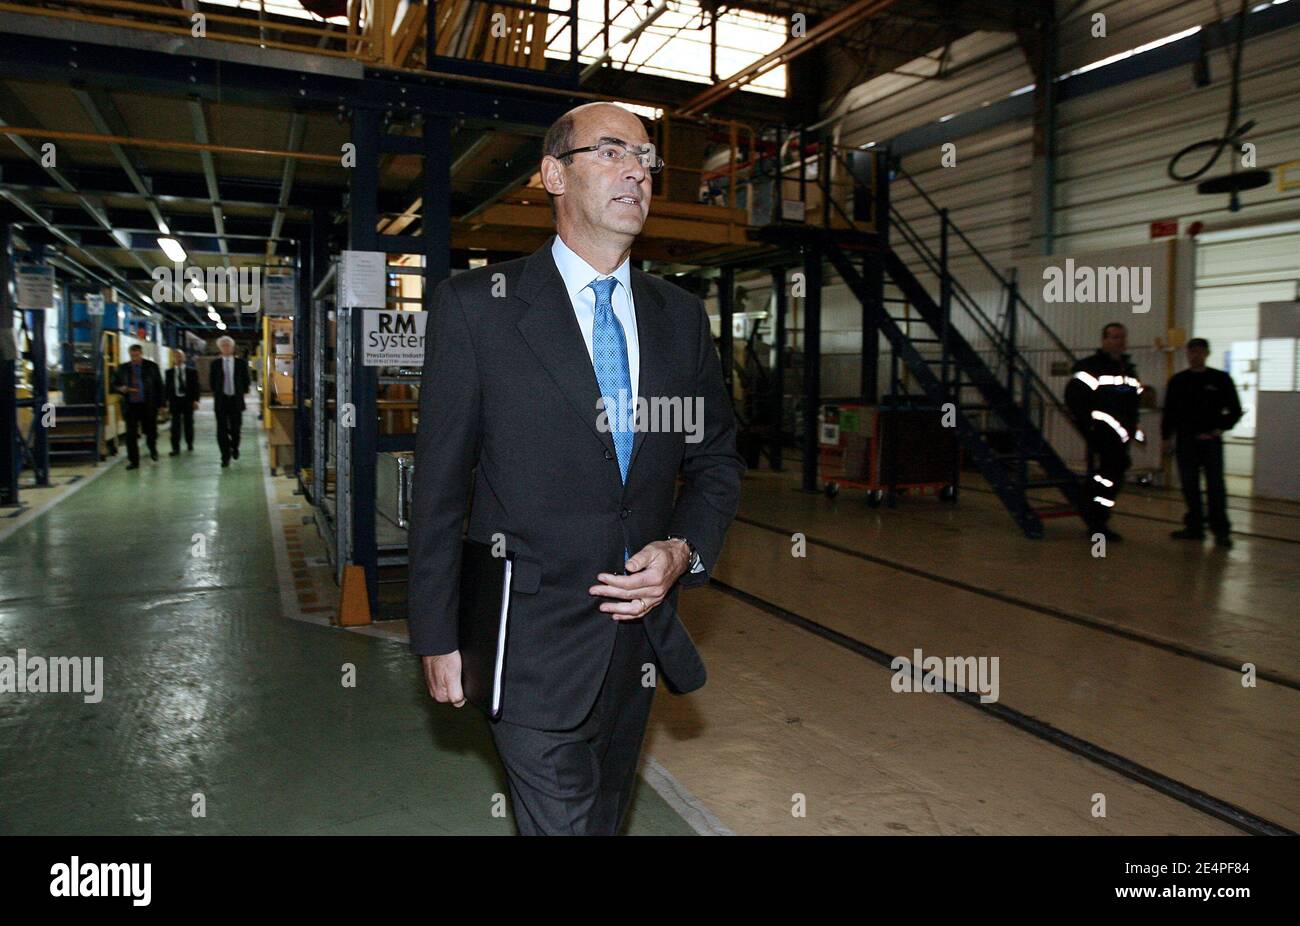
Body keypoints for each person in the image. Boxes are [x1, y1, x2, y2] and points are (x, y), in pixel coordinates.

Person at [408, 102, 745, 836]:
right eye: (613, 151)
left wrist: (681, 551)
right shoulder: (478, 309)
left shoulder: (679, 318)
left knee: (600, 819)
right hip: (525, 638)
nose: (637, 170)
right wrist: (434, 634)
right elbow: (438, 487)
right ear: (554, 174)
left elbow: (716, 459)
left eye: (647, 157)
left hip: (638, 643)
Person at [1065, 322, 1145, 542]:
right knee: (1107, 476)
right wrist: (1091, 428)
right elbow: (1074, 399)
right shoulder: (1091, 367)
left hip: (1122, 436)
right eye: (1114, 337)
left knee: (1113, 476)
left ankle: (1096, 514)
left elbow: (1133, 402)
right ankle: (1096, 519)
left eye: (1122, 337)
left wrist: (1133, 427)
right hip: (1102, 435)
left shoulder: (1129, 370)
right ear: (1104, 340)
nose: (1119, 342)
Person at [1161, 338, 1242, 548]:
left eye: (1199, 351)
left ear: (1207, 353)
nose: (1195, 355)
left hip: (1211, 442)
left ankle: (1221, 531)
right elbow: (1169, 412)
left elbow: (1234, 409)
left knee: (1215, 487)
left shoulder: (1220, 379)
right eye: (1192, 352)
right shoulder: (1178, 381)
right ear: (1187, 354)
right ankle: (1194, 527)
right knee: (1190, 486)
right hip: (1186, 442)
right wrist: (1166, 437)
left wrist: (1220, 428)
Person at [112, 343, 163, 470]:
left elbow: (159, 386)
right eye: (132, 354)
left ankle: (153, 449)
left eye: (137, 354)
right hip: (131, 406)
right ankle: (134, 461)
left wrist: (162, 404)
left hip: (148, 404)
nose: (135, 357)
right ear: (130, 354)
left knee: (150, 432)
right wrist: (120, 388)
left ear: (141, 353)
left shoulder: (151, 367)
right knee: (131, 434)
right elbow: (114, 384)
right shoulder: (122, 368)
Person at [209, 336, 250, 468]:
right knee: (221, 430)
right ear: (220, 348)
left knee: (235, 428)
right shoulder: (215, 364)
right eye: (223, 346)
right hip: (221, 401)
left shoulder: (241, 363)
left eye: (228, 345)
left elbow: (246, 381)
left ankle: (235, 446)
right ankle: (224, 456)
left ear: (232, 348)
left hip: (236, 400)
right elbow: (212, 383)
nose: (226, 348)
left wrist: (240, 392)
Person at [164, 349, 200, 456]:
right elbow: (167, 388)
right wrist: (166, 402)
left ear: (184, 358)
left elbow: (196, 387)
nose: (178, 358)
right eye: (176, 356)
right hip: (175, 401)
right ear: (173, 359)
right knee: (175, 426)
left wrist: (195, 400)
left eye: (180, 356)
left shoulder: (192, 372)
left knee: (189, 423)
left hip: (188, 401)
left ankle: (189, 443)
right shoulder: (169, 373)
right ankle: (175, 448)